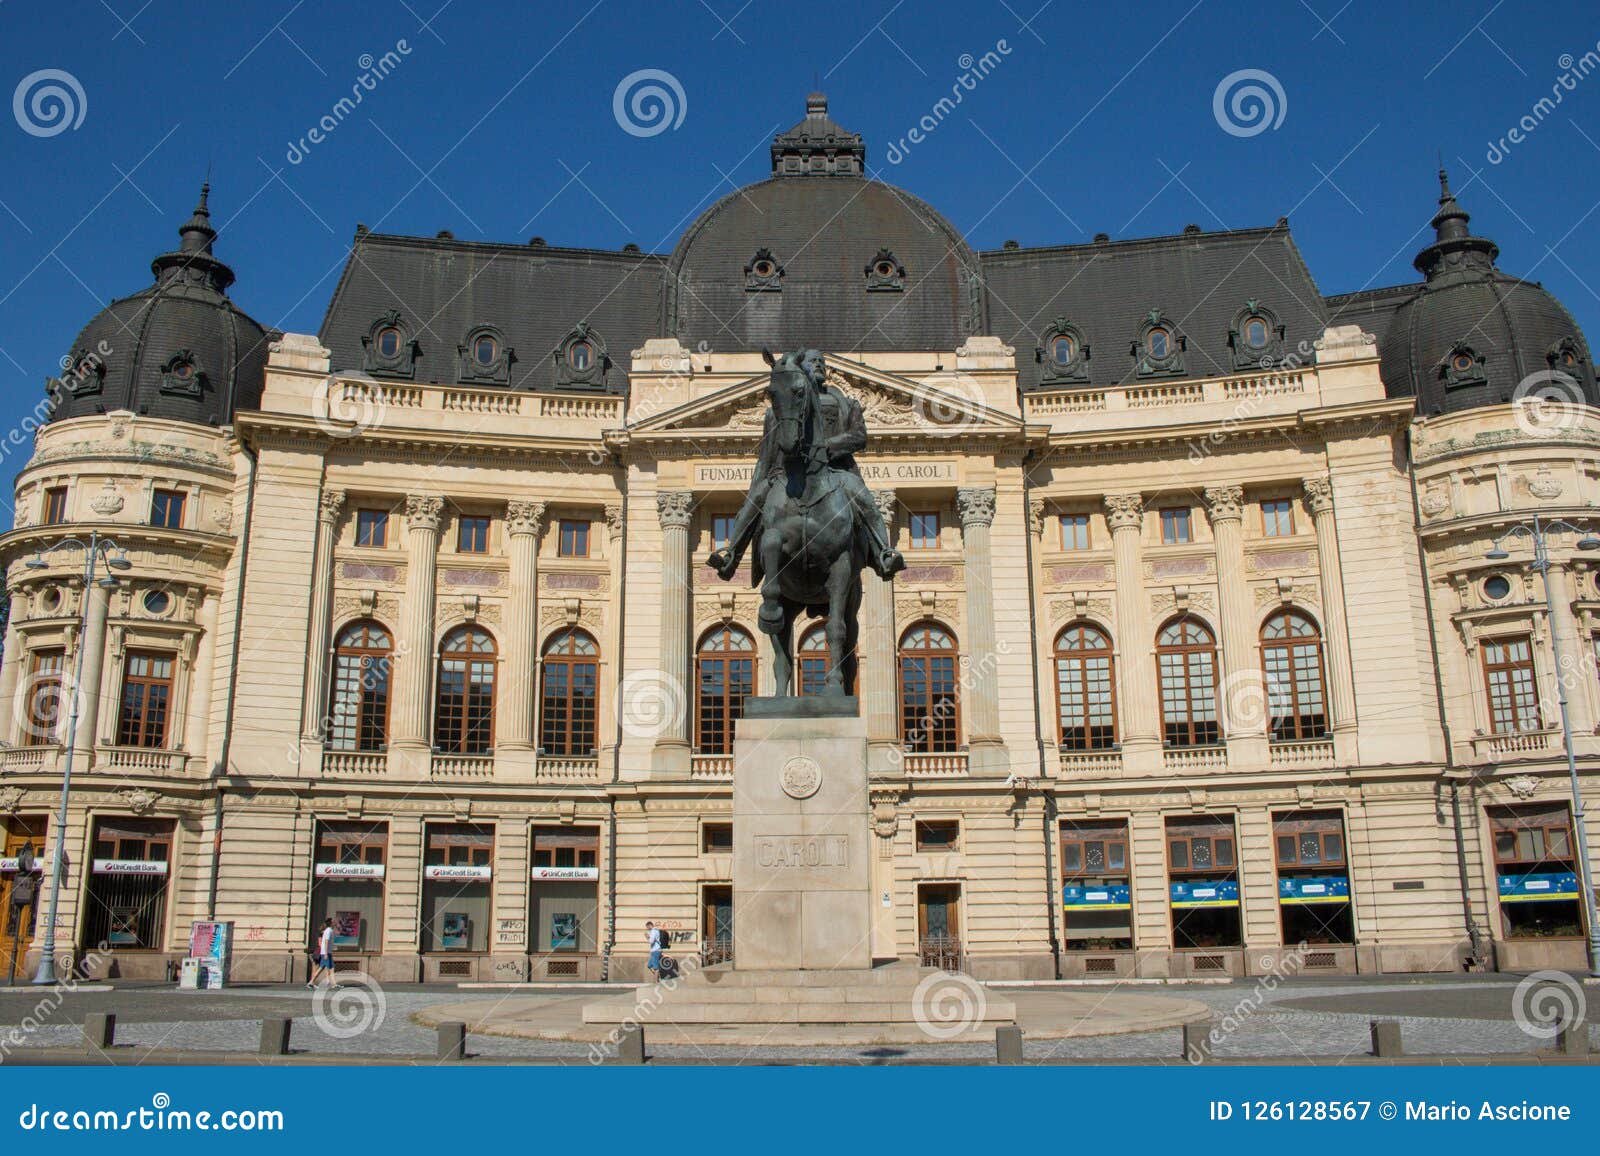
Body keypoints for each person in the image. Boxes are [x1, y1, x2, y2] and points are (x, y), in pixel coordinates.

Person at [707, 349, 904, 584]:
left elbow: (859, 436)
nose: (819, 364)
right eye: (813, 361)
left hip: (835, 472)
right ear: (800, 369)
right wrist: (761, 481)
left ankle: (884, 552)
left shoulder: (847, 404)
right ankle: (731, 554)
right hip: (788, 475)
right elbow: (766, 455)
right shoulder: (779, 409)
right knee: (754, 501)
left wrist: (826, 447)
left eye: (822, 361)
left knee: (866, 500)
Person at [308, 917, 339, 990]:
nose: (335, 923)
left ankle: (312, 982)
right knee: (327, 968)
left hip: (327, 952)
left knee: (328, 967)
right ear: (331, 923)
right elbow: (326, 942)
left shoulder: (329, 930)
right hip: (326, 953)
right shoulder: (328, 931)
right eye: (334, 922)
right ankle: (311, 982)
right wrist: (325, 953)